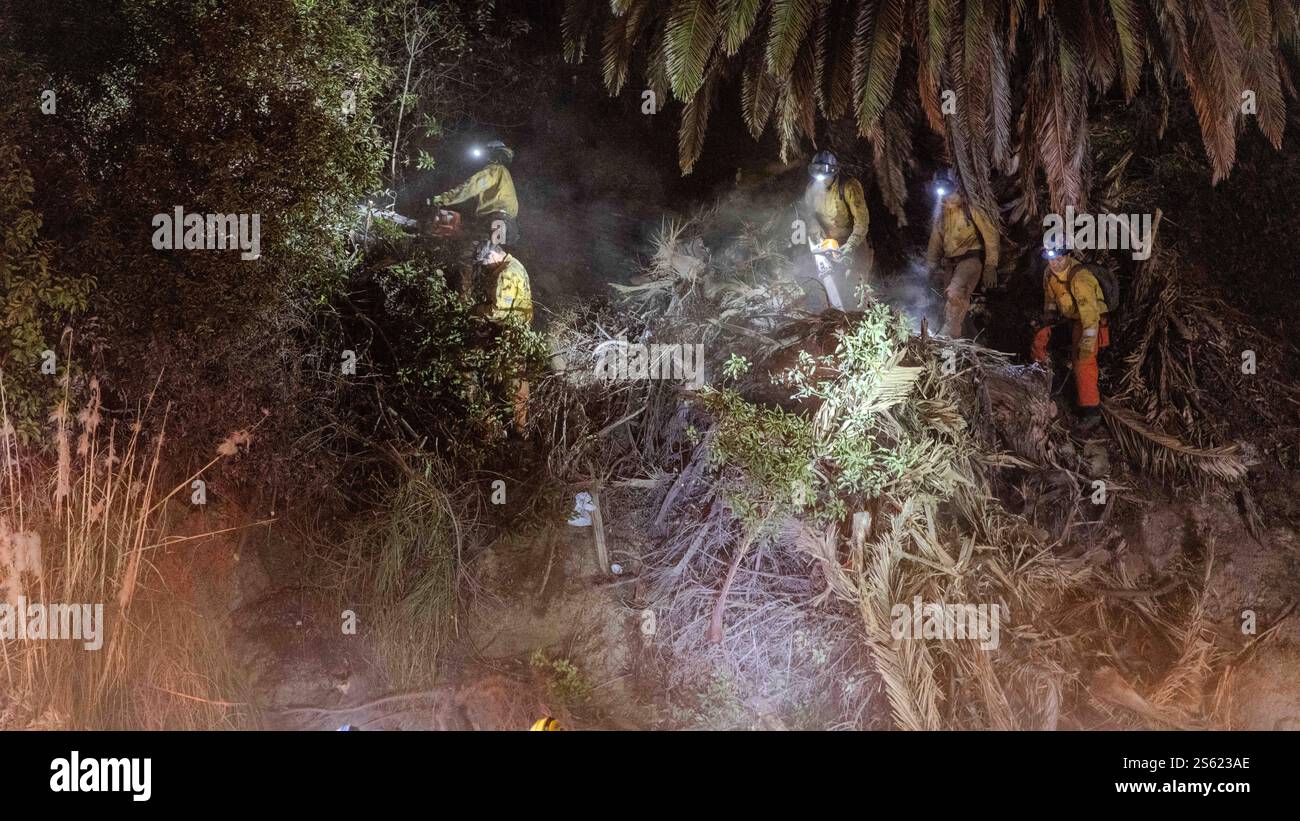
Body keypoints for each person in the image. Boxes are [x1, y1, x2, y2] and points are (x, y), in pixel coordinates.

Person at [1031, 245, 1111, 430]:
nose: (1055, 263)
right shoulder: (1049, 274)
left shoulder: (1080, 279)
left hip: (1089, 323)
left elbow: (1090, 315)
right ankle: (1043, 379)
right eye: (1051, 259)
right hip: (1070, 319)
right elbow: (1050, 300)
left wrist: (1088, 341)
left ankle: (1091, 411)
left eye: (1059, 258)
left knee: (1083, 361)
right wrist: (1047, 321)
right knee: (1040, 338)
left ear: (1068, 255)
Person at [924, 170, 1000, 336]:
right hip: (950, 264)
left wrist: (990, 265)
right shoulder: (942, 213)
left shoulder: (970, 207)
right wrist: (929, 268)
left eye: (948, 192)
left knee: (955, 293)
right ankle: (963, 341)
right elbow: (935, 243)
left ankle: (948, 336)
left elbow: (990, 234)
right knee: (951, 303)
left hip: (970, 259)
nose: (945, 197)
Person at [474, 242, 533, 432]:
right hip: (521, 326)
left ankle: (520, 427)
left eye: (485, 264)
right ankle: (516, 419)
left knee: (515, 376)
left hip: (512, 331)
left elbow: (498, 311)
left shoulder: (505, 274)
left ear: (492, 256)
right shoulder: (516, 263)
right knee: (513, 373)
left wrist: (477, 310)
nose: (486, 269)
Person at [800, 150, 870, 309]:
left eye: (824, 174)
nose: (821, 179)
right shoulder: (812, 188)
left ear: (833, 171)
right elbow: (808, 214)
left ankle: (858, 319)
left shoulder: (849, 186)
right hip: (828, 243)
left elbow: (862, 220)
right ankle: (831, 321)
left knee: (856, 287)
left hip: (853, 242)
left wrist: (851, 245)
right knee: (828, 286)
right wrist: (819, 236)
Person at [428, 140, 519, 245]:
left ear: (493, 154)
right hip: (508, 224)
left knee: (480, 254)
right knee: (494, 257)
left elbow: (470, 187)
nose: (486, 158)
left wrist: (443, 199)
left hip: (496, 220)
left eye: (487, 154)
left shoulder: (494, 170)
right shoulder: (504, 176)